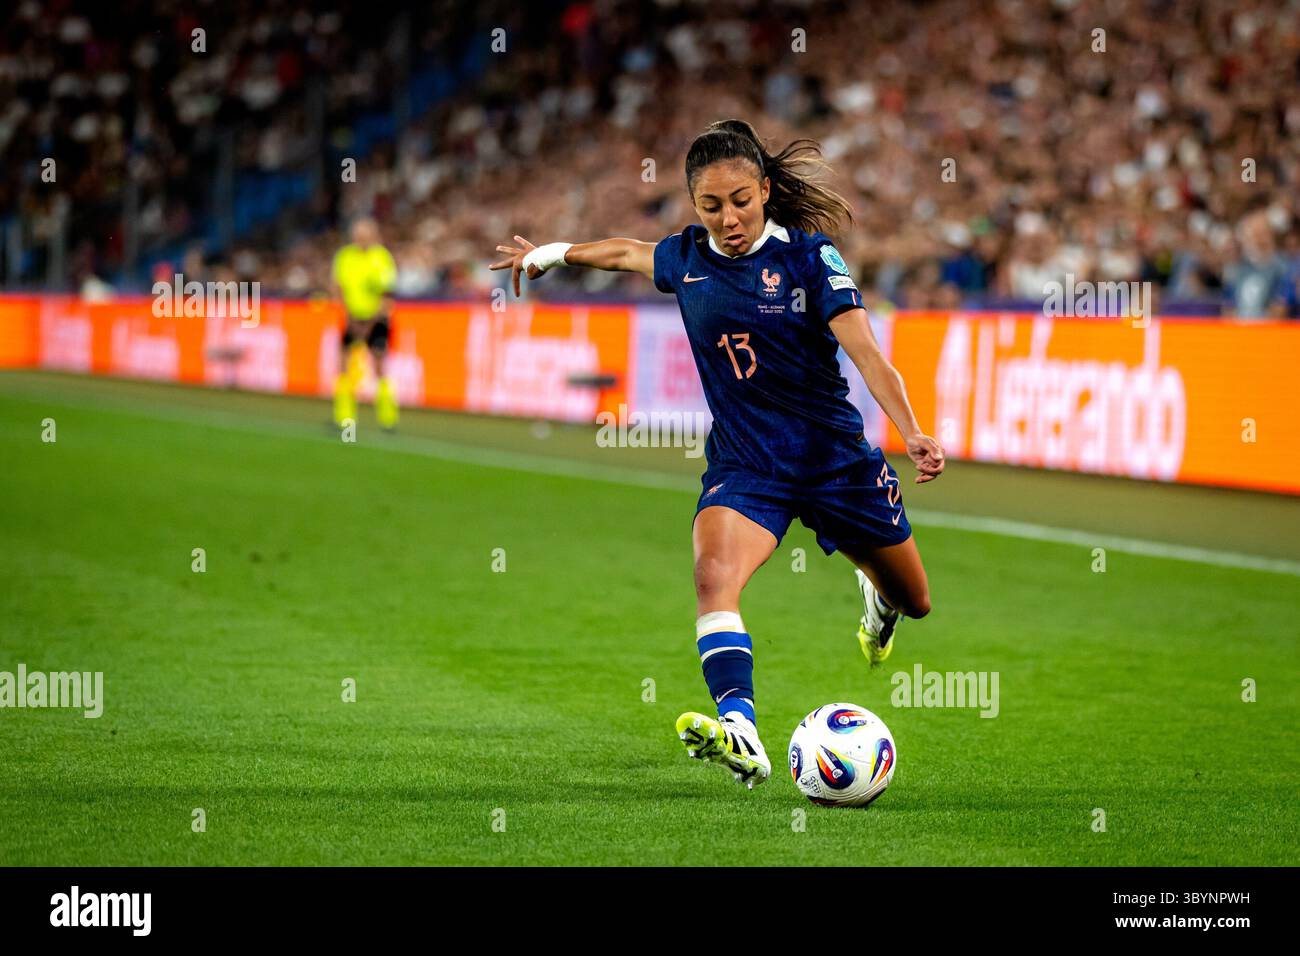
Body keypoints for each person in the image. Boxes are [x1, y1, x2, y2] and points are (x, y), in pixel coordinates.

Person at [490, 119, 945, 790]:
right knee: (713, 577)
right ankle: (742, 730)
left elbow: (867, 353)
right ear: (694, 207)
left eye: (740, 200)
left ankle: (877, 599)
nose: (728, 218)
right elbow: (624, 254)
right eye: (711, 206)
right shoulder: (689, 258)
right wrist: (552, 253)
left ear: (764, 190)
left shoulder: (810, 261)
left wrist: (911, 430)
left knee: (915, 599)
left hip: (834, 464)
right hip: (746, 465)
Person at [332, 218, 399, 430]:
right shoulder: (345, 257)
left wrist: (368, 324)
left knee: (379, 366)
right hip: (352, 318)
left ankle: (387, 419)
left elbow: (387, 296)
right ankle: (344, 418)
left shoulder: (381, 257)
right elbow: (338, 288)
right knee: (343, 365)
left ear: (373, 235)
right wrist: (349, 316)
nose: (360, 238)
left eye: (365, 234)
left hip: (376, 320)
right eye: (357, 234)